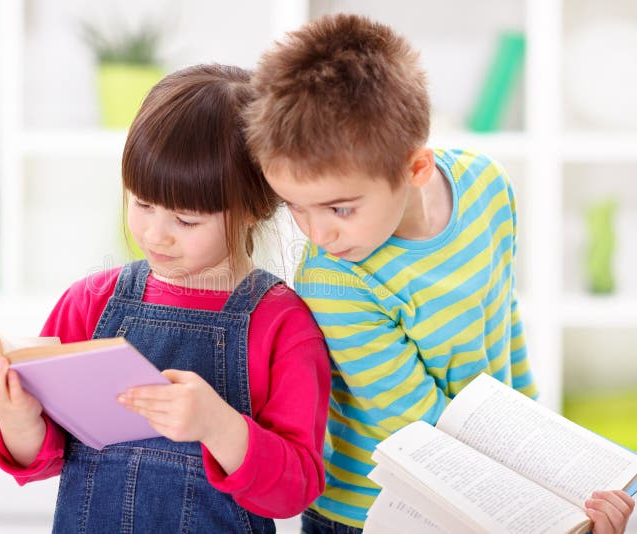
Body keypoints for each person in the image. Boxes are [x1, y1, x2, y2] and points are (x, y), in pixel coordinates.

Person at [244, 13, 635, 534]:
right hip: (375, 514)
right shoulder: (333, 279)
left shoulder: (487, 188)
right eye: (296, 207)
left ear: (416, 168)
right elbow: (420, 427)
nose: (319, 236)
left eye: (339, 209)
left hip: (482, 485)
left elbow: (505, 336)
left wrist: (555, 479)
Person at [0, 64, 330, 532]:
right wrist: (16, 416)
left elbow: (295, 489)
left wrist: (220, 427)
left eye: (186, 219)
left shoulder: (281, 326)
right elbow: (43, 458)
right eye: (142, 203)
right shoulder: (90, 303)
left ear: (254, 207)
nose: (156, 234)